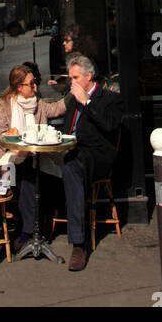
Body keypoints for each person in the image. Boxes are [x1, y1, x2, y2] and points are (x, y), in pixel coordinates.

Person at [0, 64, 66, 251]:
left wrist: (75, 92)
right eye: (31, 83)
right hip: (5, 158)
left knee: (31, 177)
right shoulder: (4, 105)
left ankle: (27, 233)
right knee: (20, 175)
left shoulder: (38, 103)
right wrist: (10, 139)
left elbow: (57, 108)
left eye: (35, 82)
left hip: (31, 157)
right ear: (19, 87)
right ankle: (13, 232)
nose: (35, 87)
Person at [59, 53, 124, 272]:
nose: (72, 82)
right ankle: (29, 231)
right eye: (70, 78)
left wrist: (86, 102)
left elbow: (109, 126)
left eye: (76, 77)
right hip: (72, 151)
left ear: (89, 76)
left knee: (72, 165)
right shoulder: (71, 99)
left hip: (97, 155)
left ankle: (79, 244)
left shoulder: (109, 98)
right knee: (35, 161)